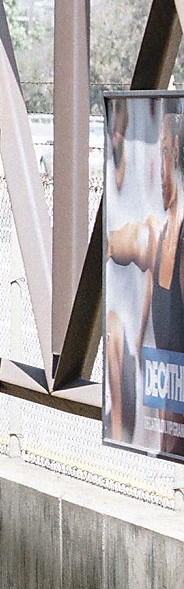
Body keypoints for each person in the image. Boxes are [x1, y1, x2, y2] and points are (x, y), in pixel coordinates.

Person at [104, 108, 184, 457]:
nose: (159, 165)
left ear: (178, 154)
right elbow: (125, 241)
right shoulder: (160, 234)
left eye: (164, 150)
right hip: (169, 437)